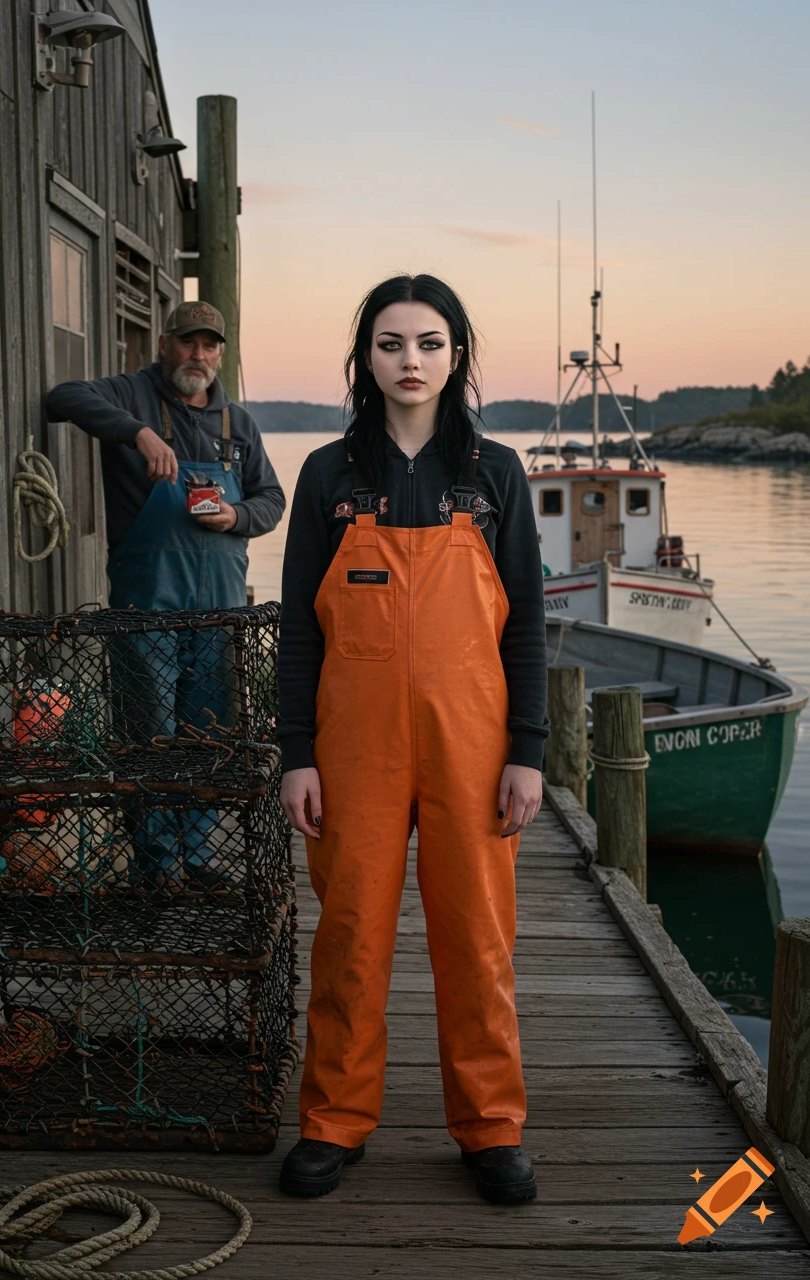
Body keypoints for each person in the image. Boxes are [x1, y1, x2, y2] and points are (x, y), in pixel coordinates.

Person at [276, 274, 548, 1203]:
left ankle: (490, 1127)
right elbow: (300, 629)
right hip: (354, 743)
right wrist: (296, 754)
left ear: (457, 356)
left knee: (478, 939)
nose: (411, 361)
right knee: (350, 932)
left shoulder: (495, 473)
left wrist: (529, 749)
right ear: (365, 359)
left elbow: (527, 626)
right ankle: (333, 1122)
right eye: (391, 344)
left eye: (429, 344)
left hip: (474, 741)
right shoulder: (327, 474)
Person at [46, 301, 285, 891]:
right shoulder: (131, 395)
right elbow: (62, 397)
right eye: (186, 342)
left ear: (221, 353)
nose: (197, 355)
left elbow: (273, 500)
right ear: (163, 343)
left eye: (209, 345)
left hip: (220, 611)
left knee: (209, 732)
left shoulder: (240, 425)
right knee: (147, 732)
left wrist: (235, 515)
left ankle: (196, 854)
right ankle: (156, 863)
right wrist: (140, 433)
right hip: (147, 600)